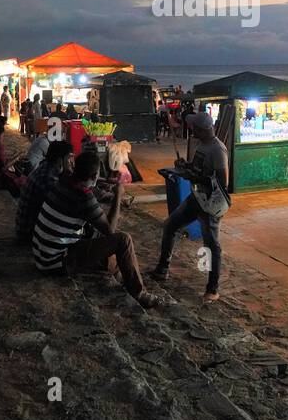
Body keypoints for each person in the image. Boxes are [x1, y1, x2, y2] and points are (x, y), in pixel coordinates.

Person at [33, 151, 161, 309]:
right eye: (97, 175)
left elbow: (83, 185)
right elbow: (110, 230)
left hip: (41, 255)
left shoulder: (63, 180)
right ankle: (138, 293)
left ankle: (122, 274)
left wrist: (100, 183)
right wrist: (118, 197)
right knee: (123, 240)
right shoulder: (84, 198)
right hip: (56, 261)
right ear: (93, 176)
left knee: (97, 236)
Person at [152, 112, 227, 302]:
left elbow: (222, 182)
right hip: (196, 198)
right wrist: (186, 166)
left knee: (211, 246)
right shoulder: (202, 144)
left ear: (203, 129)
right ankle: (162, 269)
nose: (191, 130)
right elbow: (197, 167)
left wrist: (194, 177)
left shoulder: (218, 150)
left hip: (209, 204)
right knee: (170, 225)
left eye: (194, 128)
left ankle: (212, 288)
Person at [16, 140, 72, 245]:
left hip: (25, 227)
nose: (70, 161)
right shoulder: (48, 178)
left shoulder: (45, 167)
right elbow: (61, 205)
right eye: (69, 158)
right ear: (60, 160)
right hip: (29, 233)